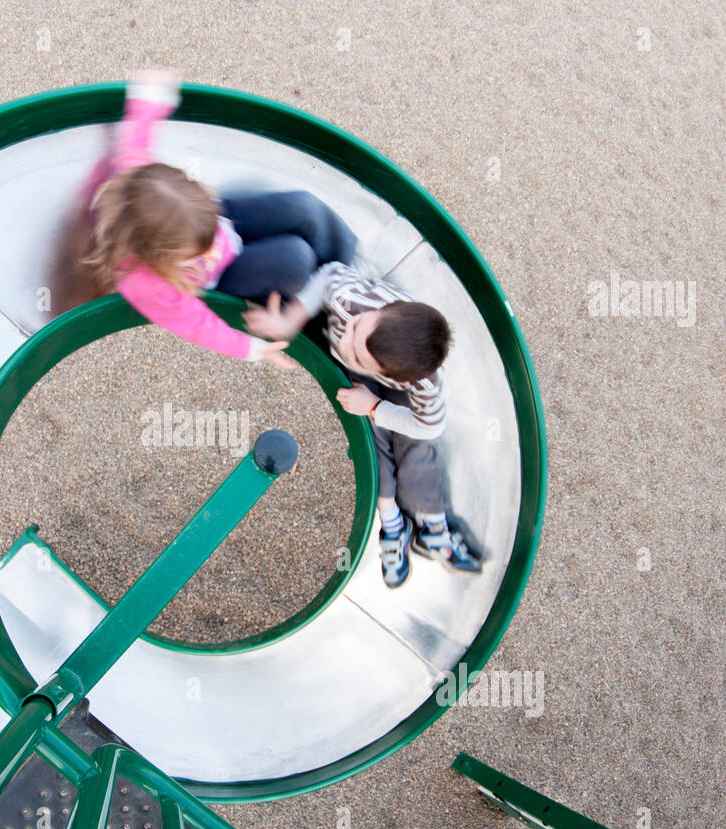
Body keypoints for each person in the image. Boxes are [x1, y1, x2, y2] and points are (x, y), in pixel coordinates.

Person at [75, 68, 356, 367]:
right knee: (294, 259)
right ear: (157, 255)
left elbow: (135, 138)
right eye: (192, 253)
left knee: (305, 207)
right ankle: (319, 307)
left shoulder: (137, 182)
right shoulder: (146, 282)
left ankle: (346, 271)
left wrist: (151, 94)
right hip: (220, 272)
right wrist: (250, 349)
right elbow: (195, 325)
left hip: (224, 224)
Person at [245, 262, 483, 585]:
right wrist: (291, 319)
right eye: (356, 330)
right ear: (378, 313)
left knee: (415, 446)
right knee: (372, 444)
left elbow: (429, 426)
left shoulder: (424, 382)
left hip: (388, 388)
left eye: (356, 353)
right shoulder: (351, 303)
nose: (346, 345)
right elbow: (328, 275)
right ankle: (392, 520)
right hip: (363, 379)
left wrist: (376, 406)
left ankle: (433, 527)